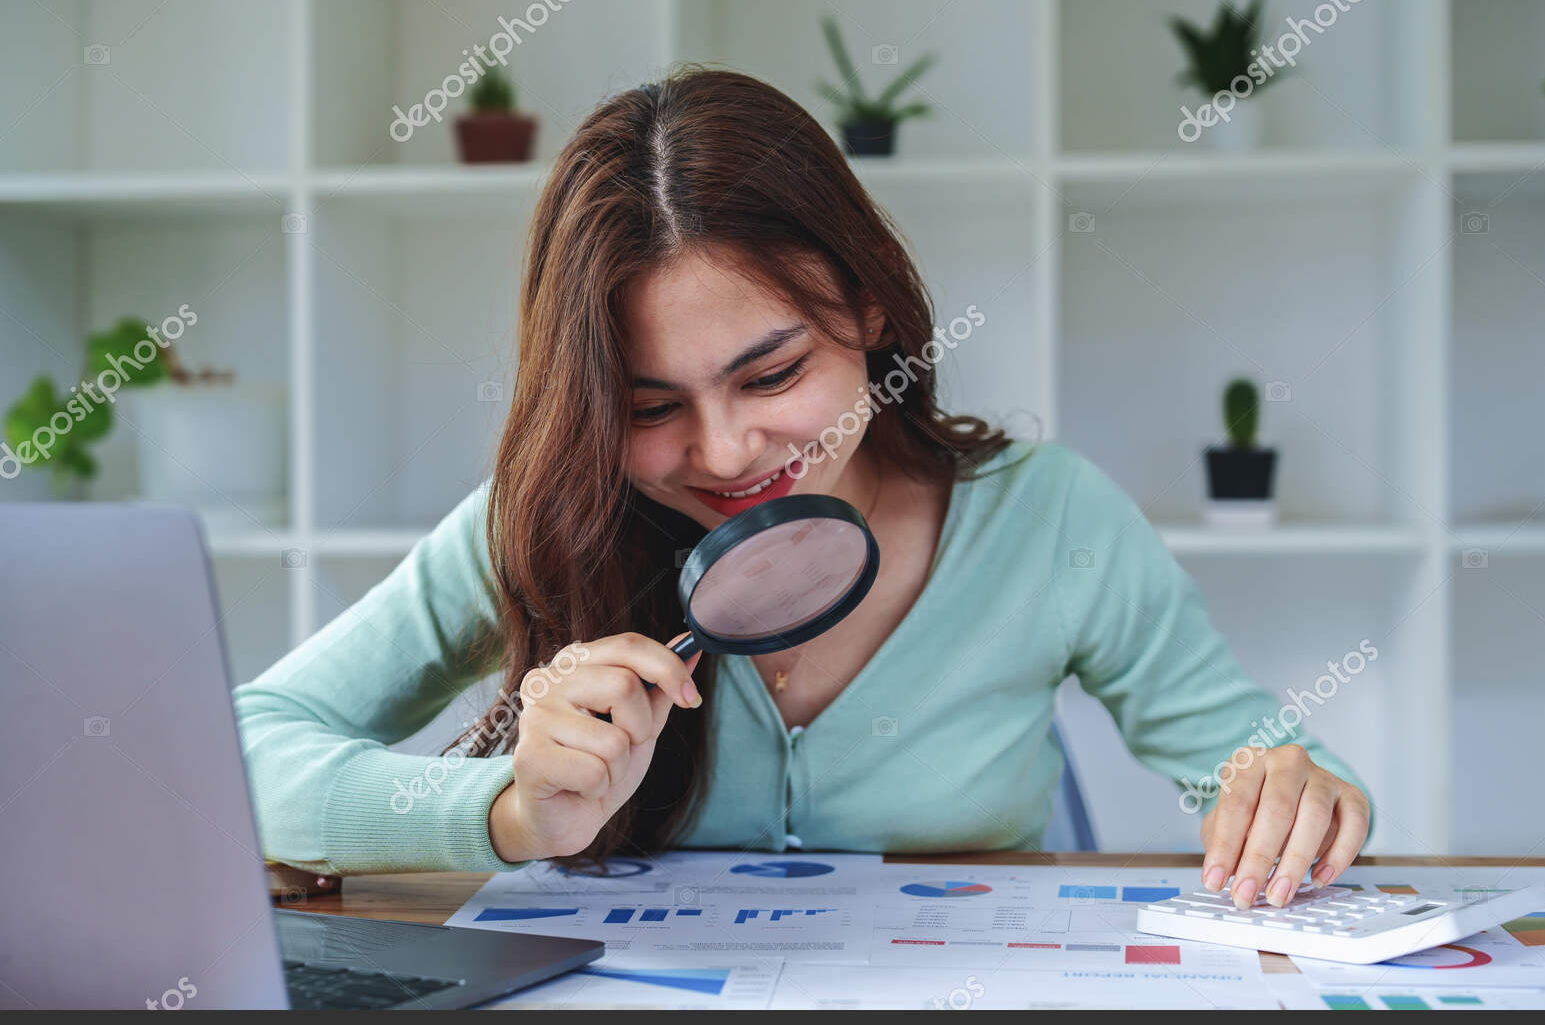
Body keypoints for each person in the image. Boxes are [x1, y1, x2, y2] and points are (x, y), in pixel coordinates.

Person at [234, 67, 1371, 912]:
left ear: (871, 311)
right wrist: (510, 812)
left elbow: (1257, 762)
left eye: (771, 373)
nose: (726, 453)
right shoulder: (544, 525)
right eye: (647, 408)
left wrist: (1291, 789)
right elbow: (238, 750)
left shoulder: (1048, 519)